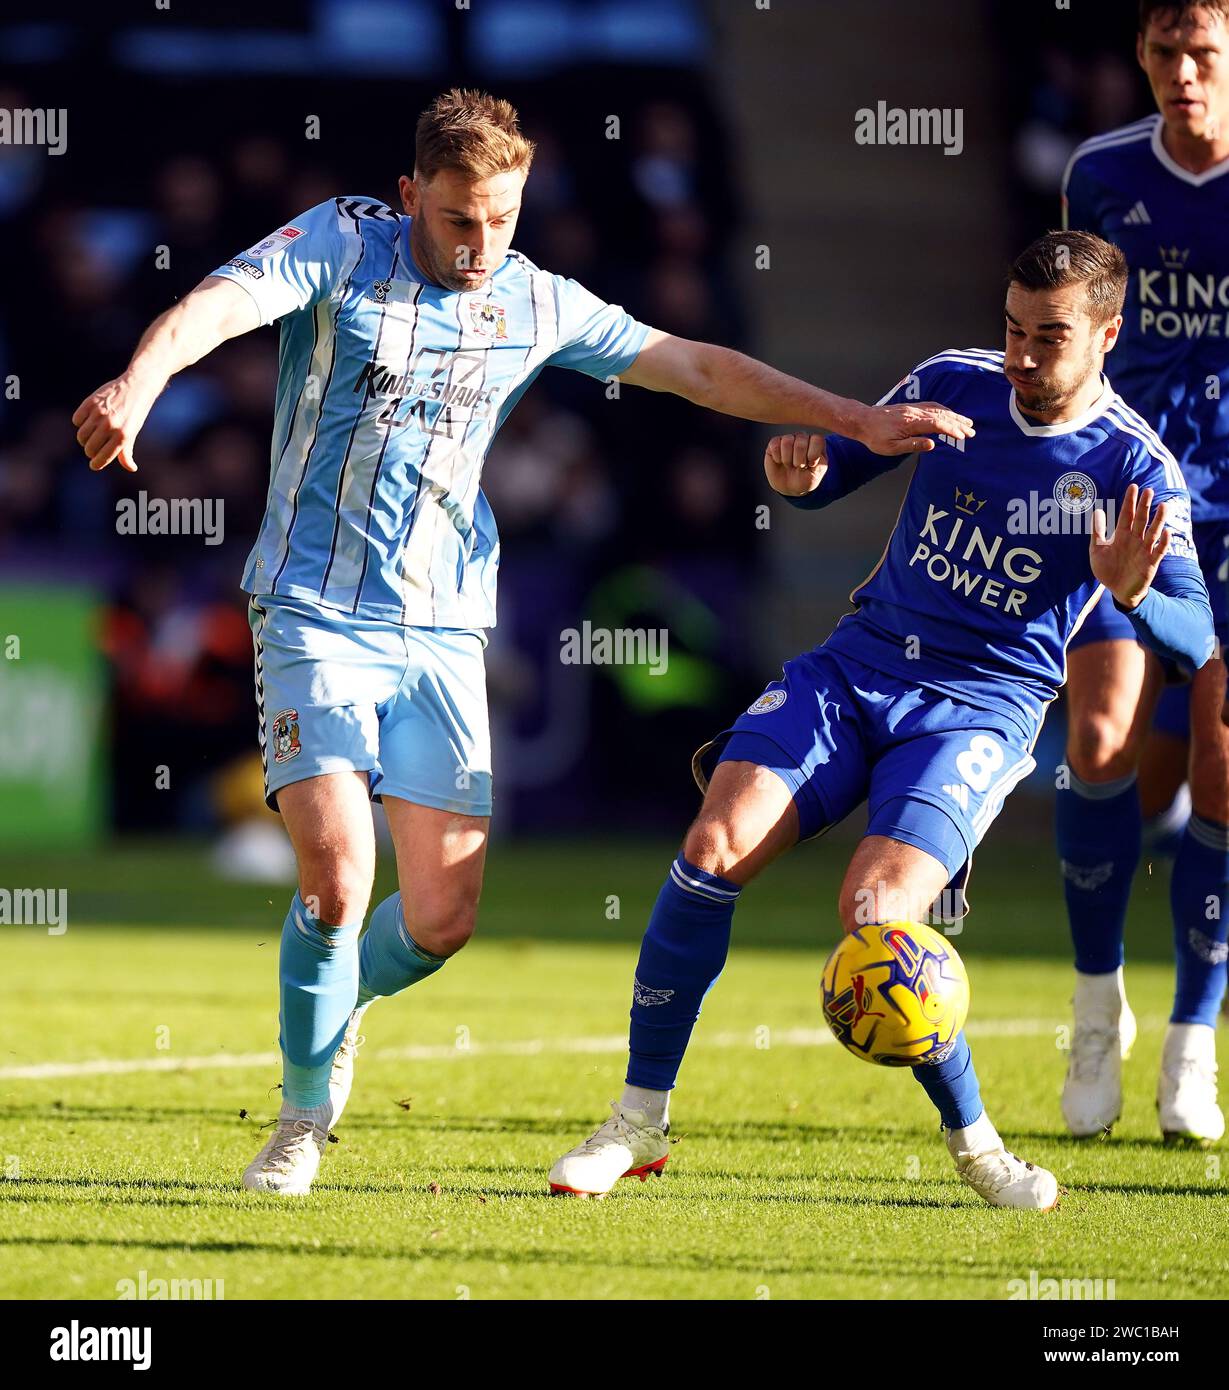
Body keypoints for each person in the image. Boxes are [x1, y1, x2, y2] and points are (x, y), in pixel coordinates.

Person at [73, 89, 970, 1196]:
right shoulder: (340, 244)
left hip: (447, 625)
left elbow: (691, 365)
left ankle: (336, 998)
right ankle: (302, 1118)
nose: (480, 243)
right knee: (340, 881)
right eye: (457, 219)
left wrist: (854, 418)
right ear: (411, 196)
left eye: (501, 217)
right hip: (311, 608)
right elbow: (214, 305)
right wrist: (140, 380)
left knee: (443, 918)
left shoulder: (533, 300)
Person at [549, 230, 1213, 1208]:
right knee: (712, 842)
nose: (1022, 357)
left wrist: (1137, 588)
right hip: (854, 670)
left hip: (977, 711)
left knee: (873, 917)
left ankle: (975, 1144)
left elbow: (1197, 635)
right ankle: (634, 1123)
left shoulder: (1132, 466)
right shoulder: (957, 383)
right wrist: (799, 479)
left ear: (1106, 334)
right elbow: (838, 467)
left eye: (1050, 338)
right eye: (1012, 330)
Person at [1057, 0, 1229, 1143]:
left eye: (1203, 54)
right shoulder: (1099, 174)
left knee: (1218, 763)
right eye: (1163, 53)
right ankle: (1090, 1003)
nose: (1182, 74)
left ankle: (1189, 1046)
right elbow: (1075, 330)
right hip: (1139, 497)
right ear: (1137, 54)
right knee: (1100, 739)